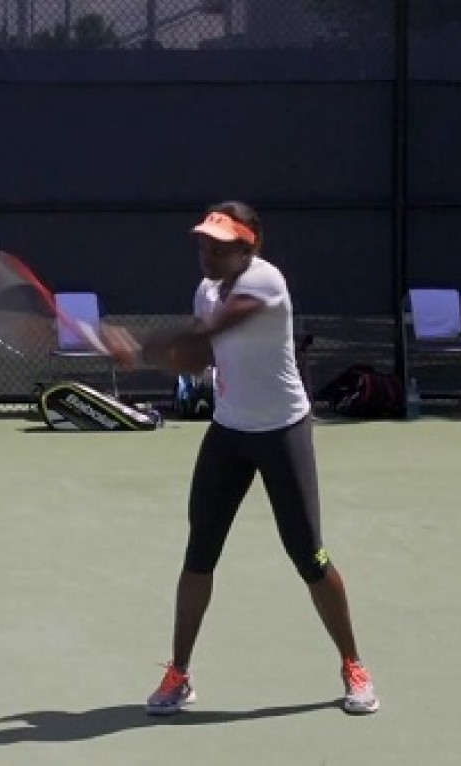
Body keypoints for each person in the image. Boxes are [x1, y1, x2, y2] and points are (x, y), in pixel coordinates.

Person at [102, 201, 380, 716]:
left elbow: (210, 333)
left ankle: (353, 665)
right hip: (228, 433)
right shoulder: (206, 291)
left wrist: (139, 347)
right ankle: (179, 673)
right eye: (204, 244)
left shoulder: (266, 283)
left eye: (221, 246)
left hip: (283, 434)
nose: (207, 254)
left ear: (248, 248)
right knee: (199, 553)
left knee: (309, 555)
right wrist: (148, 358)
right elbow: (200, 357)